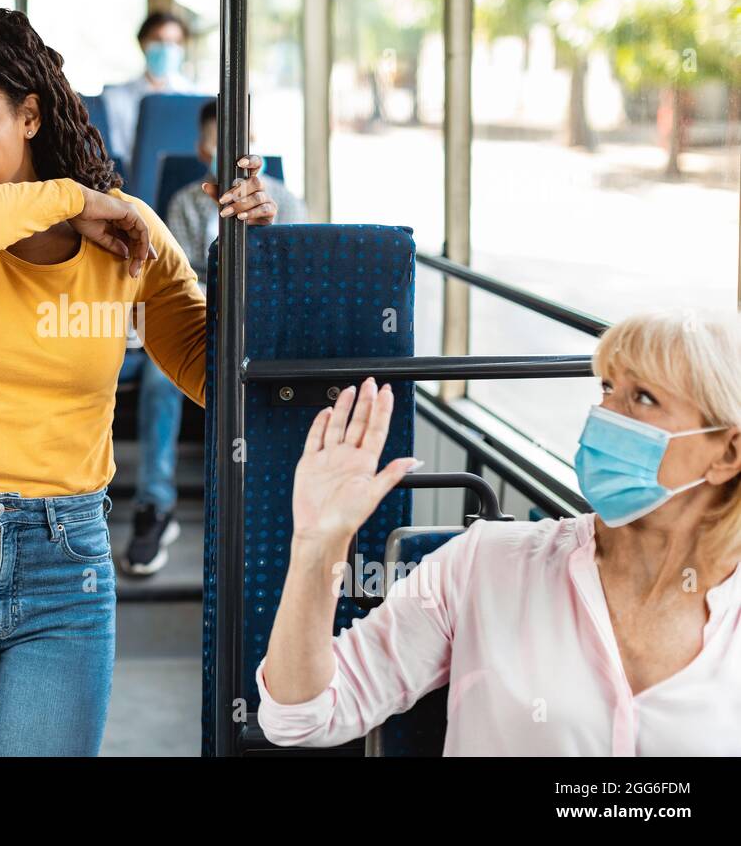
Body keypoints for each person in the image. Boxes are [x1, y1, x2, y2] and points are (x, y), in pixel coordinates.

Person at [0, 5, 280, 756]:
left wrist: (253, 254)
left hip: (66, 563)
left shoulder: (128, 237)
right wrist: (75, 198)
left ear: (29, 114)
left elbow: (219, 376)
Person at [258, 309, 741, 755]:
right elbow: (300, 717)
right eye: (608, 389)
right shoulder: (485, 563)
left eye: (643, 398)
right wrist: (317, 548)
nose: (605, 417)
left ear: (726, 454)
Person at [117, 100, 308, 575]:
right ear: (204, 148)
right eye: (219, 140)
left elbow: (298, 278)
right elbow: (177, 277)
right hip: (201, 317)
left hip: (265, 324)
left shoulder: (283, 202)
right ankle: (156, 505)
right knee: (164, 375)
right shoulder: (185, 201)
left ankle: (273, 512)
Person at [100, 11, 196, 173]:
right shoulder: (115, 98)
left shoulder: (194, 97)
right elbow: (114, 154)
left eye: (175, 42)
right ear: (143, 43)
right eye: (159, 40)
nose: (167, 48)